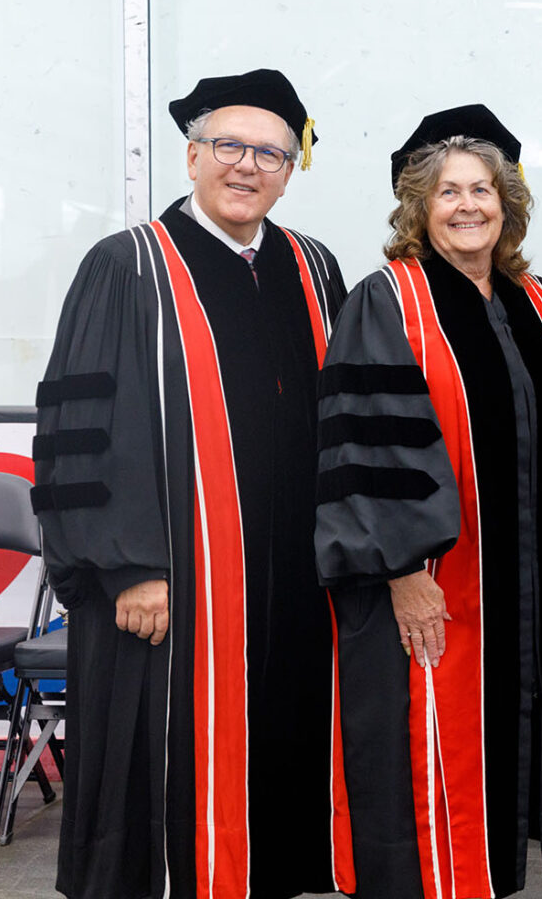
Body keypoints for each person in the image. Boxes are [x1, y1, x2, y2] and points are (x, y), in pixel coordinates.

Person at [33, 69, 348, 898]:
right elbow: (79, 429)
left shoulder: (314, 267)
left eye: (270, 152)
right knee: (163, 787)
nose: (248, 166)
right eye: (230, 146)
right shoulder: (127, 266)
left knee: (276, 765)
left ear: (292, 167)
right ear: (192, 156)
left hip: (287, 584)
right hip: (171, 583)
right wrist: (128, 565)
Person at [314, 105, 542, 899]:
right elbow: (364, 451)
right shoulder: (389, 297)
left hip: (519, 586)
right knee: (424, 764)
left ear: (509, 203)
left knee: (496, 761)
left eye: (484, 190)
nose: (469, 206)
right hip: (433, 582)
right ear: (419, 208)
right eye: (448, 193)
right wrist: (401, 571)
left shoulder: (537, 301)